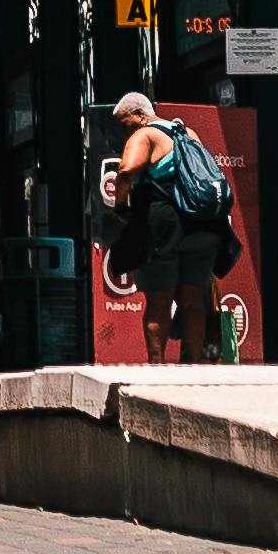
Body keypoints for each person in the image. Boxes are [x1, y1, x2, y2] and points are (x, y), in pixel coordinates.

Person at [97, 89, 236, 364]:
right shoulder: (187, 133)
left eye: (126, 125)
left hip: (164, 225)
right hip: (203, 225)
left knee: (159, 301)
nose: (125, 134)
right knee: (193, 300)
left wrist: (121, 206)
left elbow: (126, 170)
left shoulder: (145, 135)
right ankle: (195, 365)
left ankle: (157, 367)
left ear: (139, 115)